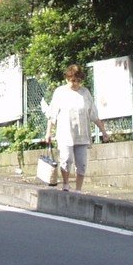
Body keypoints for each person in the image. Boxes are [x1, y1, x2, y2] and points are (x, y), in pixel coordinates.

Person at [44, 63, 110, 191]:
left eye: (78, 81)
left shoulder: (85, 93)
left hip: (82, 133)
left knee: (82, 163)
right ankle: (66, 184)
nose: (75, 83)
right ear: (67, 78)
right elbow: (52, 115)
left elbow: (93, 114)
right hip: (65, 133)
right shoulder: (60, 92)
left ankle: (78, 189)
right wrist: (48, 133)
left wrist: (104, 131)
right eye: (73, 80)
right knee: (66, 159)